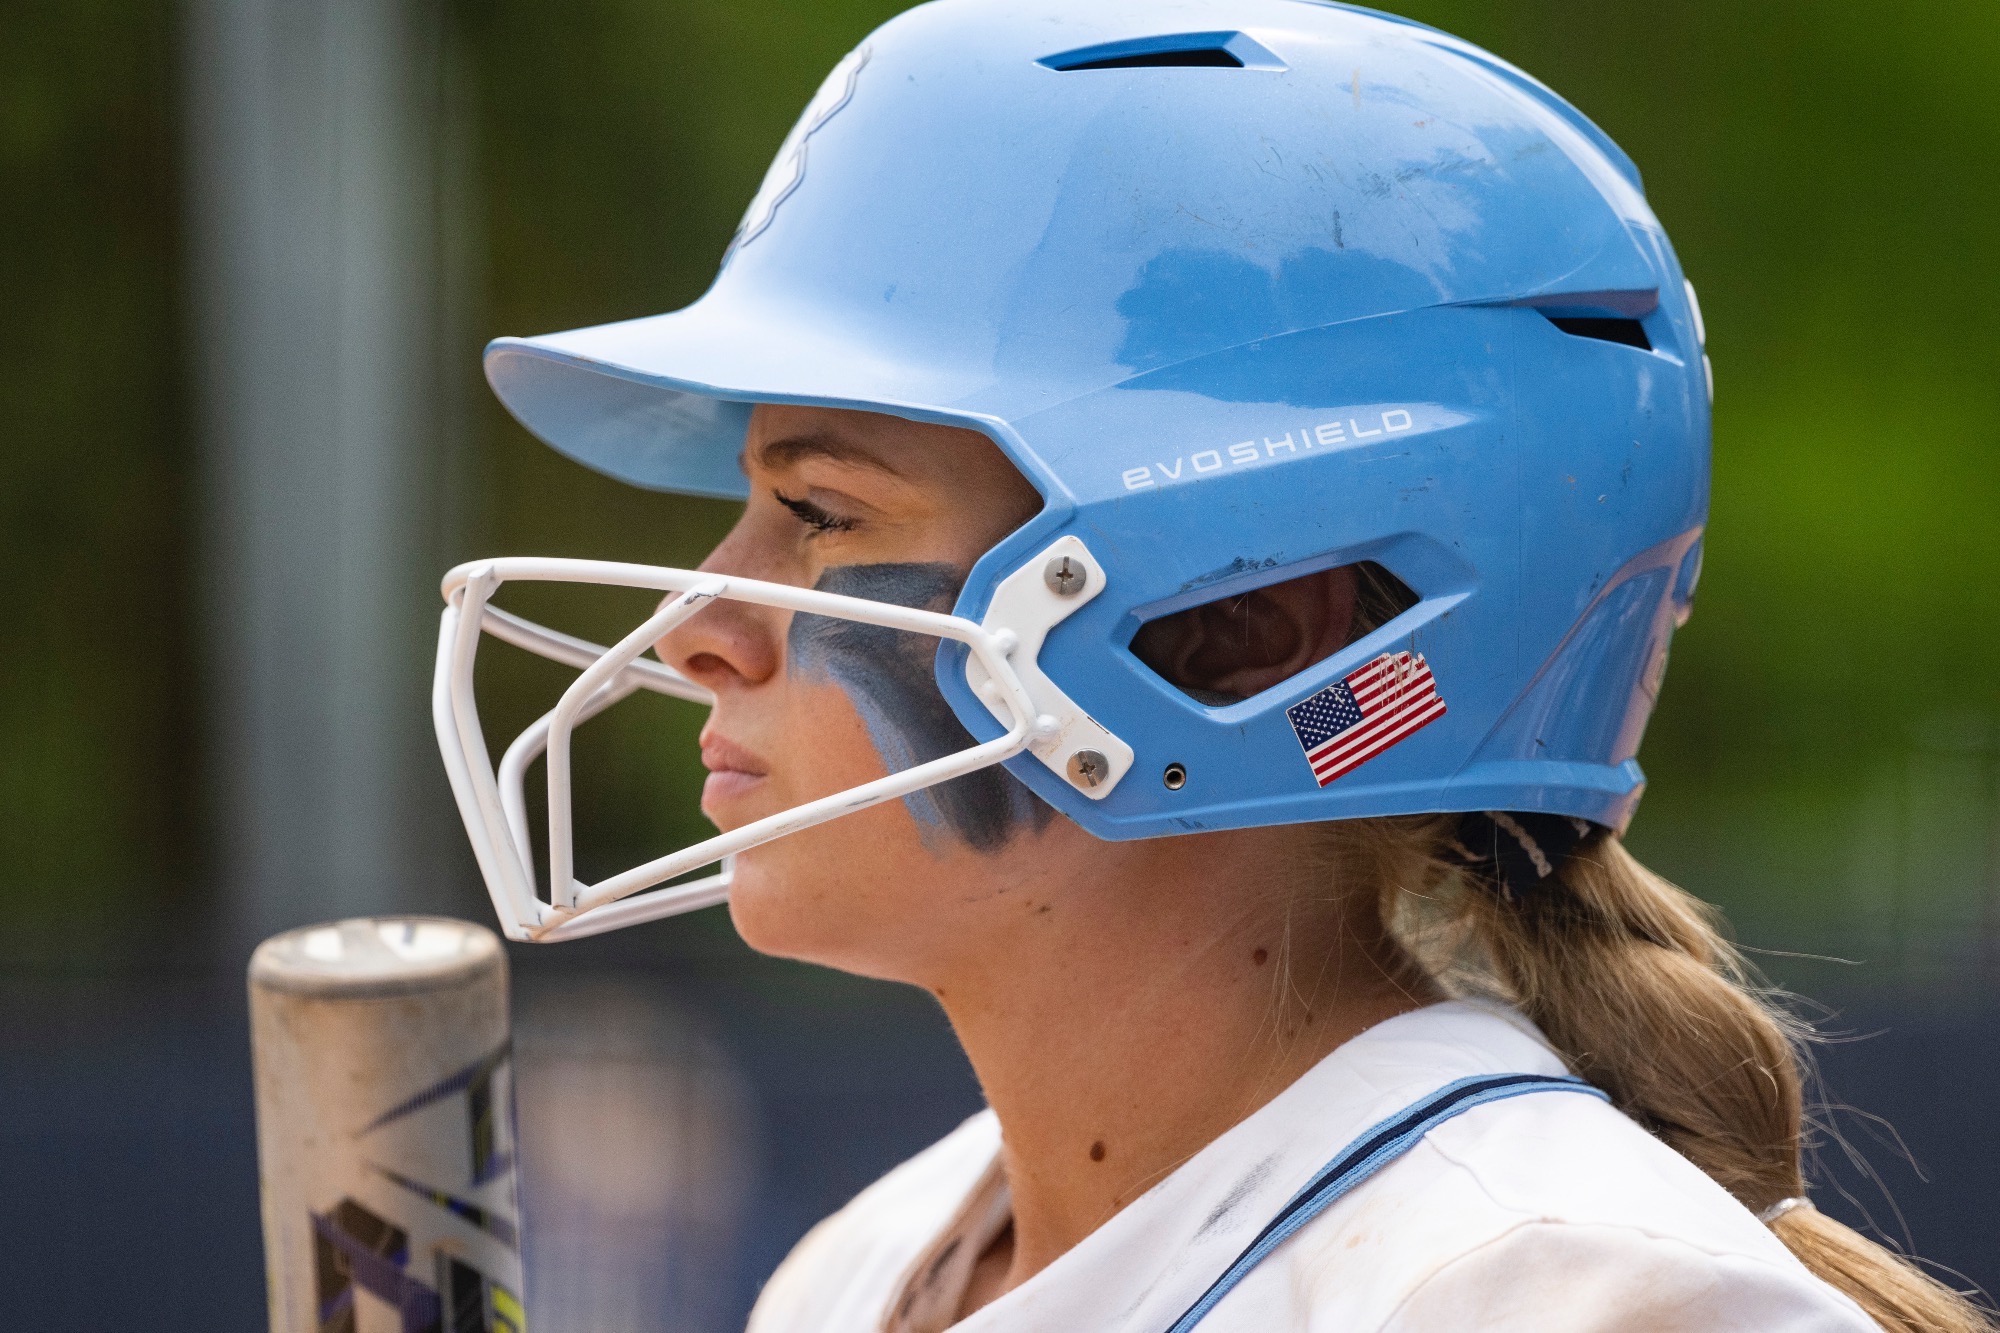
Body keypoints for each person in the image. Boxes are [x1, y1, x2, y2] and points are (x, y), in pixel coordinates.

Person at [431, 0, 1990, 1328]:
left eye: (822, 513)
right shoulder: (856, 1270)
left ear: (1246, 629)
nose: (700, 624)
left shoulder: (1553, 1289)